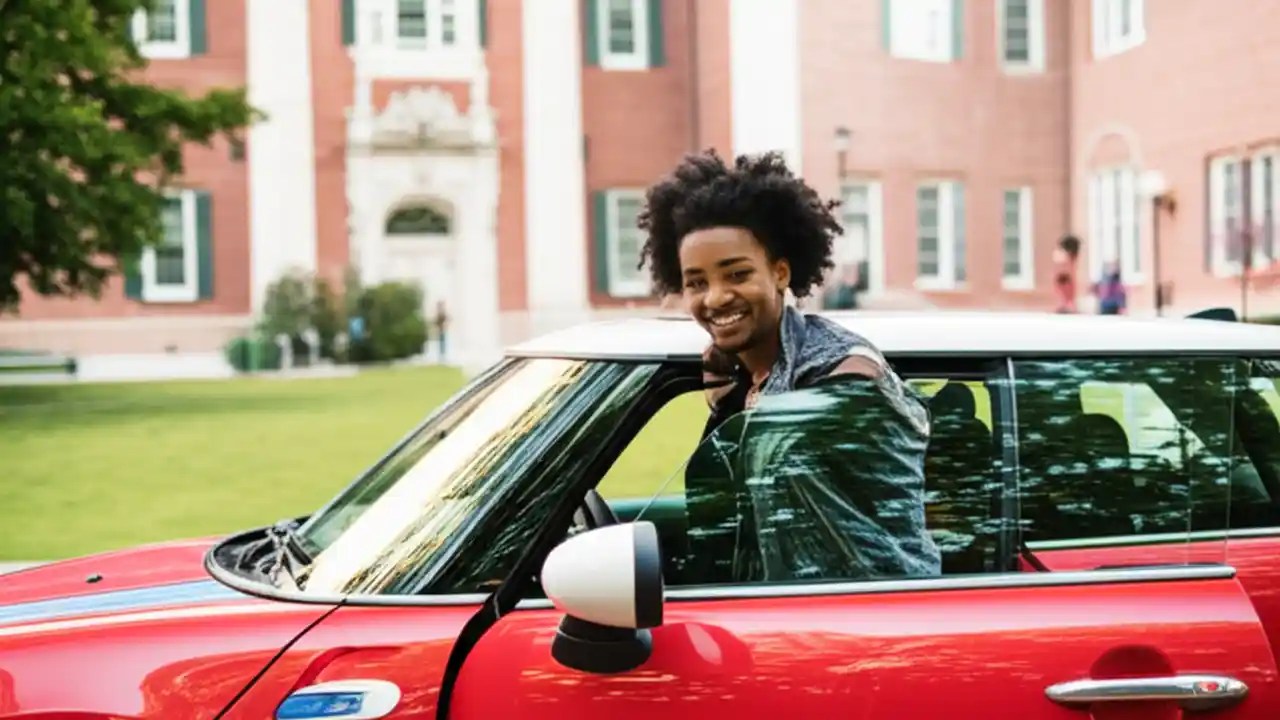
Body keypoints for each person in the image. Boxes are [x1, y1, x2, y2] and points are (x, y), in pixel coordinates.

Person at [636, 149, 941, 582]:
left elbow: (848, 409)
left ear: (780, 273)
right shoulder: (739, 377)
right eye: (697, 283)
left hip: (863, 625)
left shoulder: (843, 377)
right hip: (769, 620)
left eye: (737, 275)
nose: (716, 297)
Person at [1053, 235, 1081, 313]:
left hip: (1066, 304)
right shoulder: (1064, 260)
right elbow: (1063, 282)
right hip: (1065, 305)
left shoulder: (1065, 260)